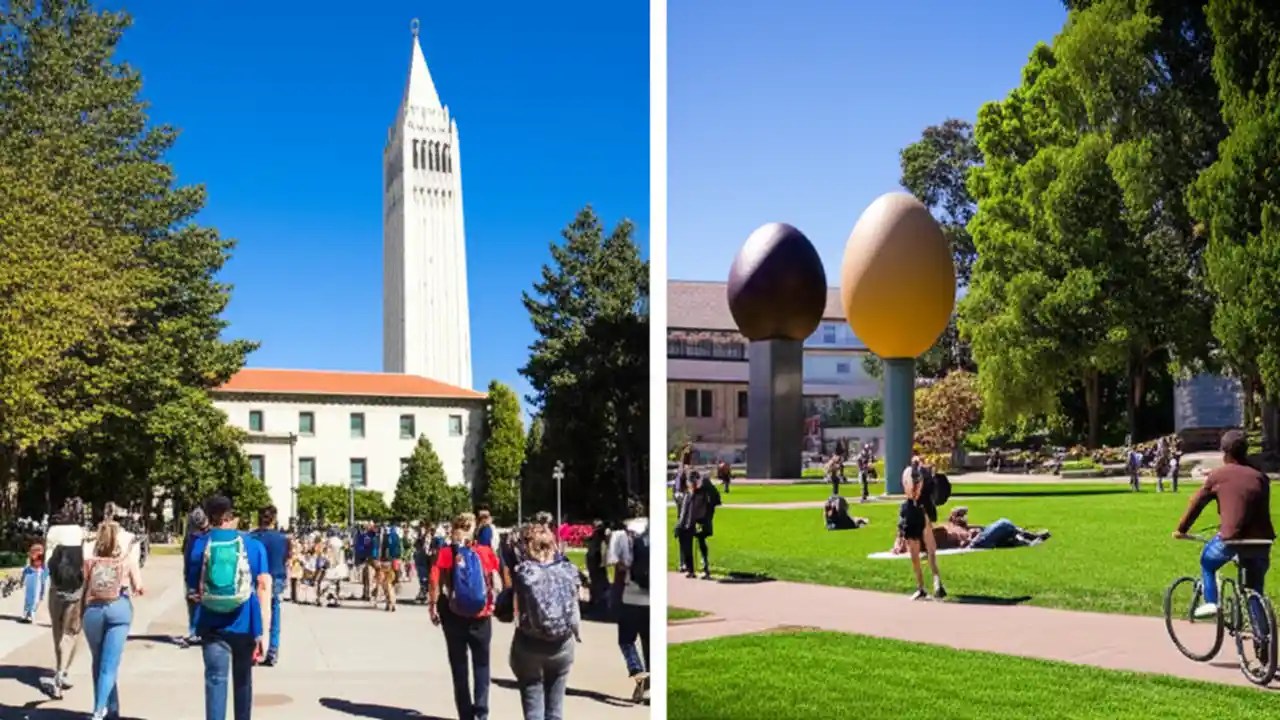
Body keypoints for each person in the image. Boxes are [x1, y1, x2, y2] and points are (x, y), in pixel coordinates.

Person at [185, 496, 272, 720]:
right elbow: (263, 587)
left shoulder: (198, 546)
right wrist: (264, 632)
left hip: (211, 624)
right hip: (245, 623)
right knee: (243, 680)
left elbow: (193, 588)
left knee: (215, 680)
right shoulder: (253, 545)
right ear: (231, 517)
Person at [1174, 430, 1276, 619]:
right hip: (1262, 540)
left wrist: (1181, 529)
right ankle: (1263, 641)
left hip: (1232, 538)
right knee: (1255, 592)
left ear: (1225, 452)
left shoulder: (1218, 476)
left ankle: (1212, 603)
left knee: (1207, 563)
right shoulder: (1260, 477)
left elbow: (1197, 504)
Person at [429, 512, 502, 720]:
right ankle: (481, 712)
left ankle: (465, 714)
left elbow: (437, 581)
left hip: (453, 614)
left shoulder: (445, 552)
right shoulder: (484, 551)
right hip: (481, 615)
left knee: (459, 666)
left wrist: (433, 606)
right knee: (482, 664)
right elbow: (494, 579)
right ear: (474, 529)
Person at [509, 524, 581, 720]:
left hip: (529, 644)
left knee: (532, 700)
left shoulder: (524, 573)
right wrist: (577, 632)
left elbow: (508, 609)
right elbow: (575, 606)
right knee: (555, 708)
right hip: (562, 644)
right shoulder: (568, 570)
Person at [80, 519, 145, 720]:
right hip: (119, 610)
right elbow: (140, 587)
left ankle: (112, 708)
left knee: (98, 661)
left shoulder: (90, 561)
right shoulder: (126, 560)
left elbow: (83, 586)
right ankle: (99, 710)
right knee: (110, 666)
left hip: (92, 612)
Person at [45, 498, 88, 699]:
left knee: (57, 631)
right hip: (76, 590)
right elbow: (86, 565)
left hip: (56, 587)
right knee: (72, 632)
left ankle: (58, 670)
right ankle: (63, 672)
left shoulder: (53, 531)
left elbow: (47, 562)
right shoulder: (82, 533)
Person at [607, 517, 650, 704]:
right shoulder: (651, 531)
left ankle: (639, 674)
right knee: (649, 642)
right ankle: (651, 684)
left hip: (630, 596)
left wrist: (614, 596)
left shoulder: (622, 535)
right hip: (651, 598)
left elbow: (617, 566)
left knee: (626, 641)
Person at [901, 456, 946, 600]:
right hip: (921, 511)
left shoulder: (910, 474)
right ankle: (936, 581)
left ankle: (922, 587)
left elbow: (910, 493)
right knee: (930, 550)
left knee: (916, 554)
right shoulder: (923, 477)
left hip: (913, 511)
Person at [249, 506, 289, 665]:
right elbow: (285, 558)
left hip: (257, 578)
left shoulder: (252, 537)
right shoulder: (282, 539)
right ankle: (272, 650)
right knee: (275, 615)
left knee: (255, 614)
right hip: (276, 576)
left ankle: (255, 648)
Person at [181, 507, 212, 647]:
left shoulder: (210, 535)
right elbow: (187, 555)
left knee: (204, 603)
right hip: (193, 572)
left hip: (205, 572)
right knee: (193, 601)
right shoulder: (192, 537)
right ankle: (194, 631)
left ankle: (202, 631)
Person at [673, 475, 696, 577]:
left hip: (686, 524)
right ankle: (689, 568)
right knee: (688, 548)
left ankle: (689, 568)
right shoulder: (693, 495)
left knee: (686, 547)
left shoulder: (688, 496)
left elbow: (684, 513)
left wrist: (679, 525)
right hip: (690, 524)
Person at [21, 542, 48, 623]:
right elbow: (25, 572)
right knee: (29, 598)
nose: (38, 553)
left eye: (39, 551)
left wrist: (44, 578)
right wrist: (22, 581)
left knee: (37, 598)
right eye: (35, 551)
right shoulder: (29, 565)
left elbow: (46, 573)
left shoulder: (43, 565)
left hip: (39, 582)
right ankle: (28, 613)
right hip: (31, 582)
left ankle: (31, 613)